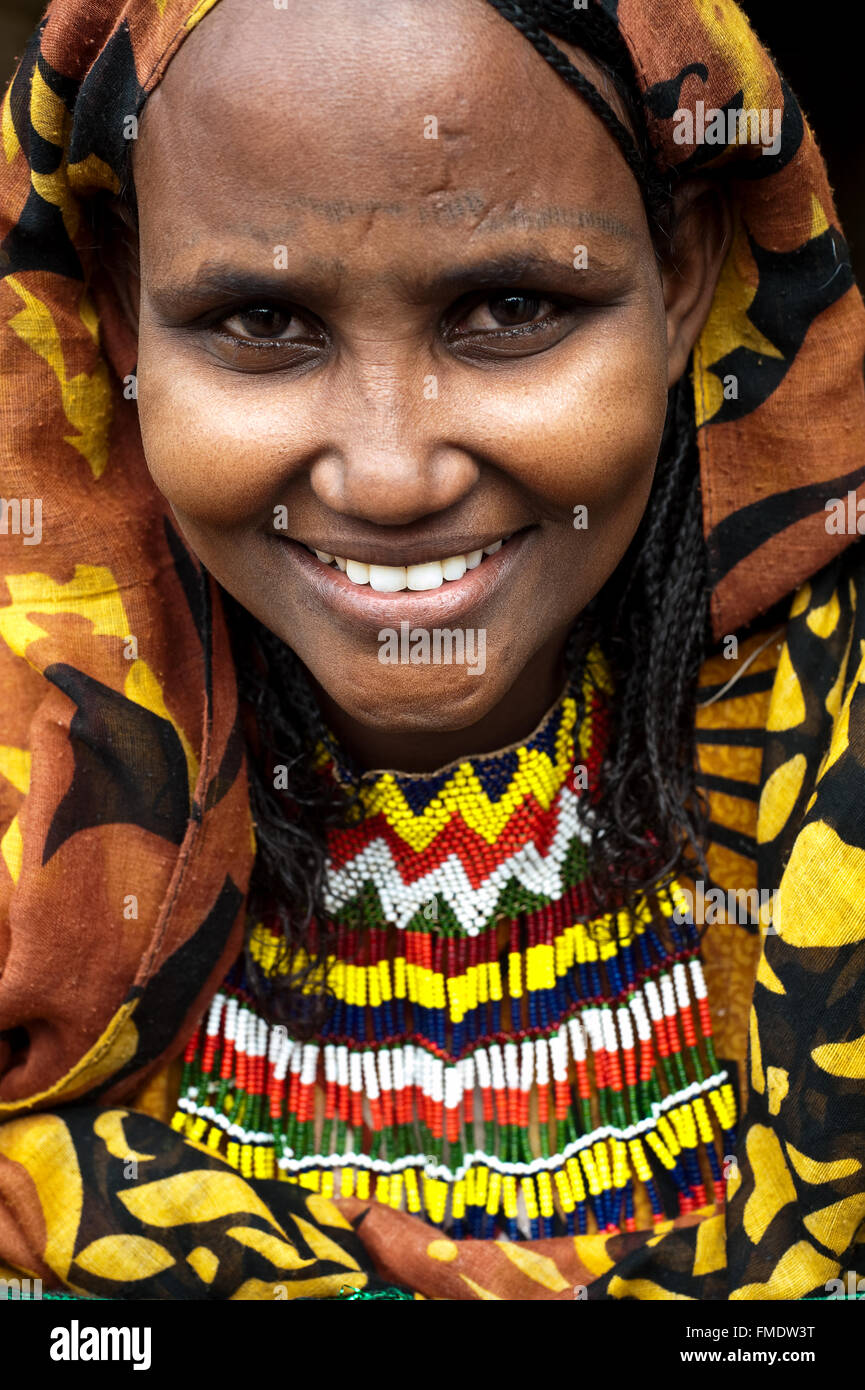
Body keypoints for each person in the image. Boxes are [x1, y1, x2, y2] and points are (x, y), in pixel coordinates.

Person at [0, 0, 863, 1302]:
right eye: (258, 320)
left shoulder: (828, 805)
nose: (392, 475)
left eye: (509, 306)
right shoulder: (29, 867)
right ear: (123, 318)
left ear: (682, 275)